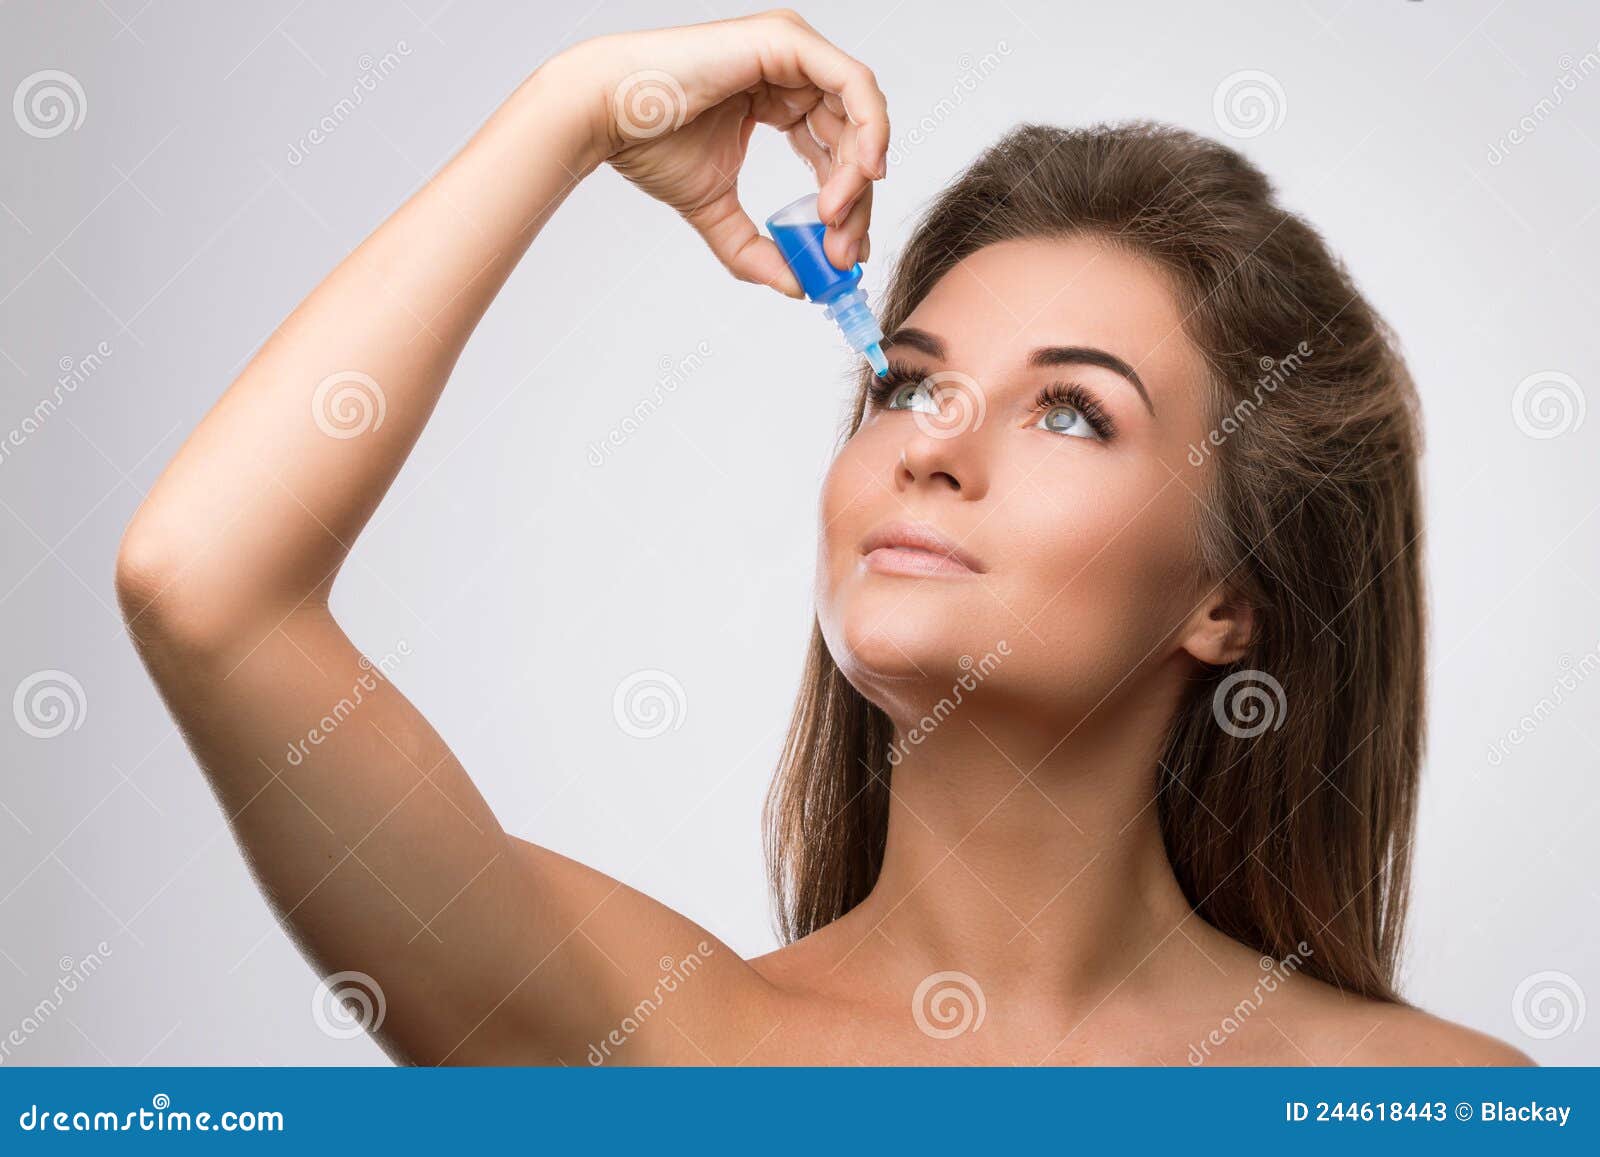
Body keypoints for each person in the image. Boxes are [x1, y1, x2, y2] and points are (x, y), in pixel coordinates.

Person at [116, 10, 1532, 1065]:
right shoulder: (670, 1046)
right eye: (910, 382)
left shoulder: (1437, 1099)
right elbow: (207, 588)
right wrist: (572, 111)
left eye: (1072, 414)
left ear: (1229, 598)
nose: (928, 443)